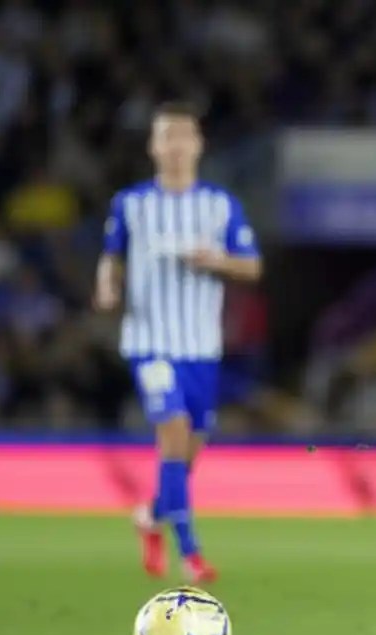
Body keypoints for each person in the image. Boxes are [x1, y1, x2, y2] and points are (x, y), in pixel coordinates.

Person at [94, 101, 262, 585]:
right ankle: (190, 552)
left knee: (188, 449)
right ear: (152, 146)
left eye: (182, 136)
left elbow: (250, 266)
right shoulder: (131, 204)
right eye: (165, 137)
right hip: (149, 341)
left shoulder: (219, 205)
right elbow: (111, 256)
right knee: (172, 430)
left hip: (201, 346)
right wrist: (107, 285)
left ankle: (150, 515)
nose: (174, 146)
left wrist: (215, 260)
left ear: (198, 144)